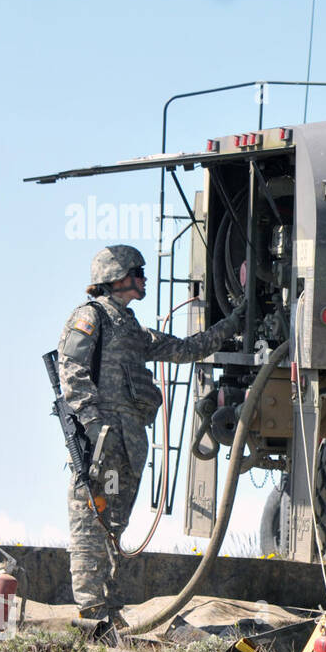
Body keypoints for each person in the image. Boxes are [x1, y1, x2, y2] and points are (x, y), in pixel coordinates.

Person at [57, 244, 245, 624]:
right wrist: (94, 428)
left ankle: (110, 608)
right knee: (91, 520)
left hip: (127, 446)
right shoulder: (90, 317)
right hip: (102, 446)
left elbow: (188, 349)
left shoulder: (131, 328)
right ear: (116, 277)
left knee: (114, 524)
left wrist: (234, 323)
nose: (144, 279)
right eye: (137, 272)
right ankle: (92, 609)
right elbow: (71, 371)